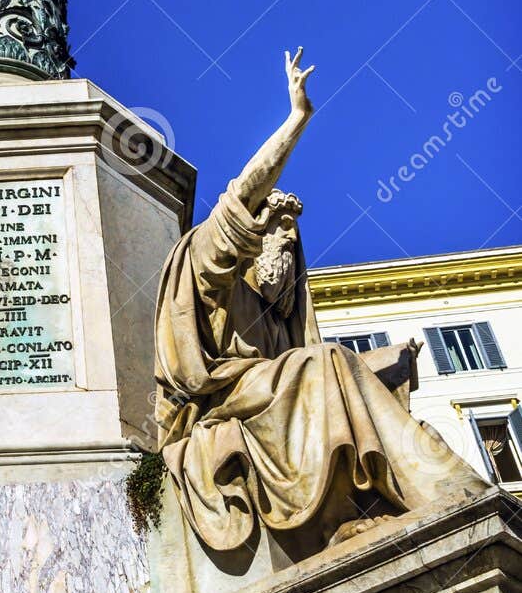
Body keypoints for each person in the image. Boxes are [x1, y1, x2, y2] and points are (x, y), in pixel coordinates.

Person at [154, 50, 489, 554]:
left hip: (272, 394)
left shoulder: (281, 319)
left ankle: (419, 492)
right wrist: (296, 119)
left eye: (293, 239)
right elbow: (243, 195)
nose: (286, 244)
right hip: (218, 402)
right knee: (325, 362)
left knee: (341, 362)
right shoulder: (211, 273)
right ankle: (372, 505)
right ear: (249, 237)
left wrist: (390, 362)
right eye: (275, 232)